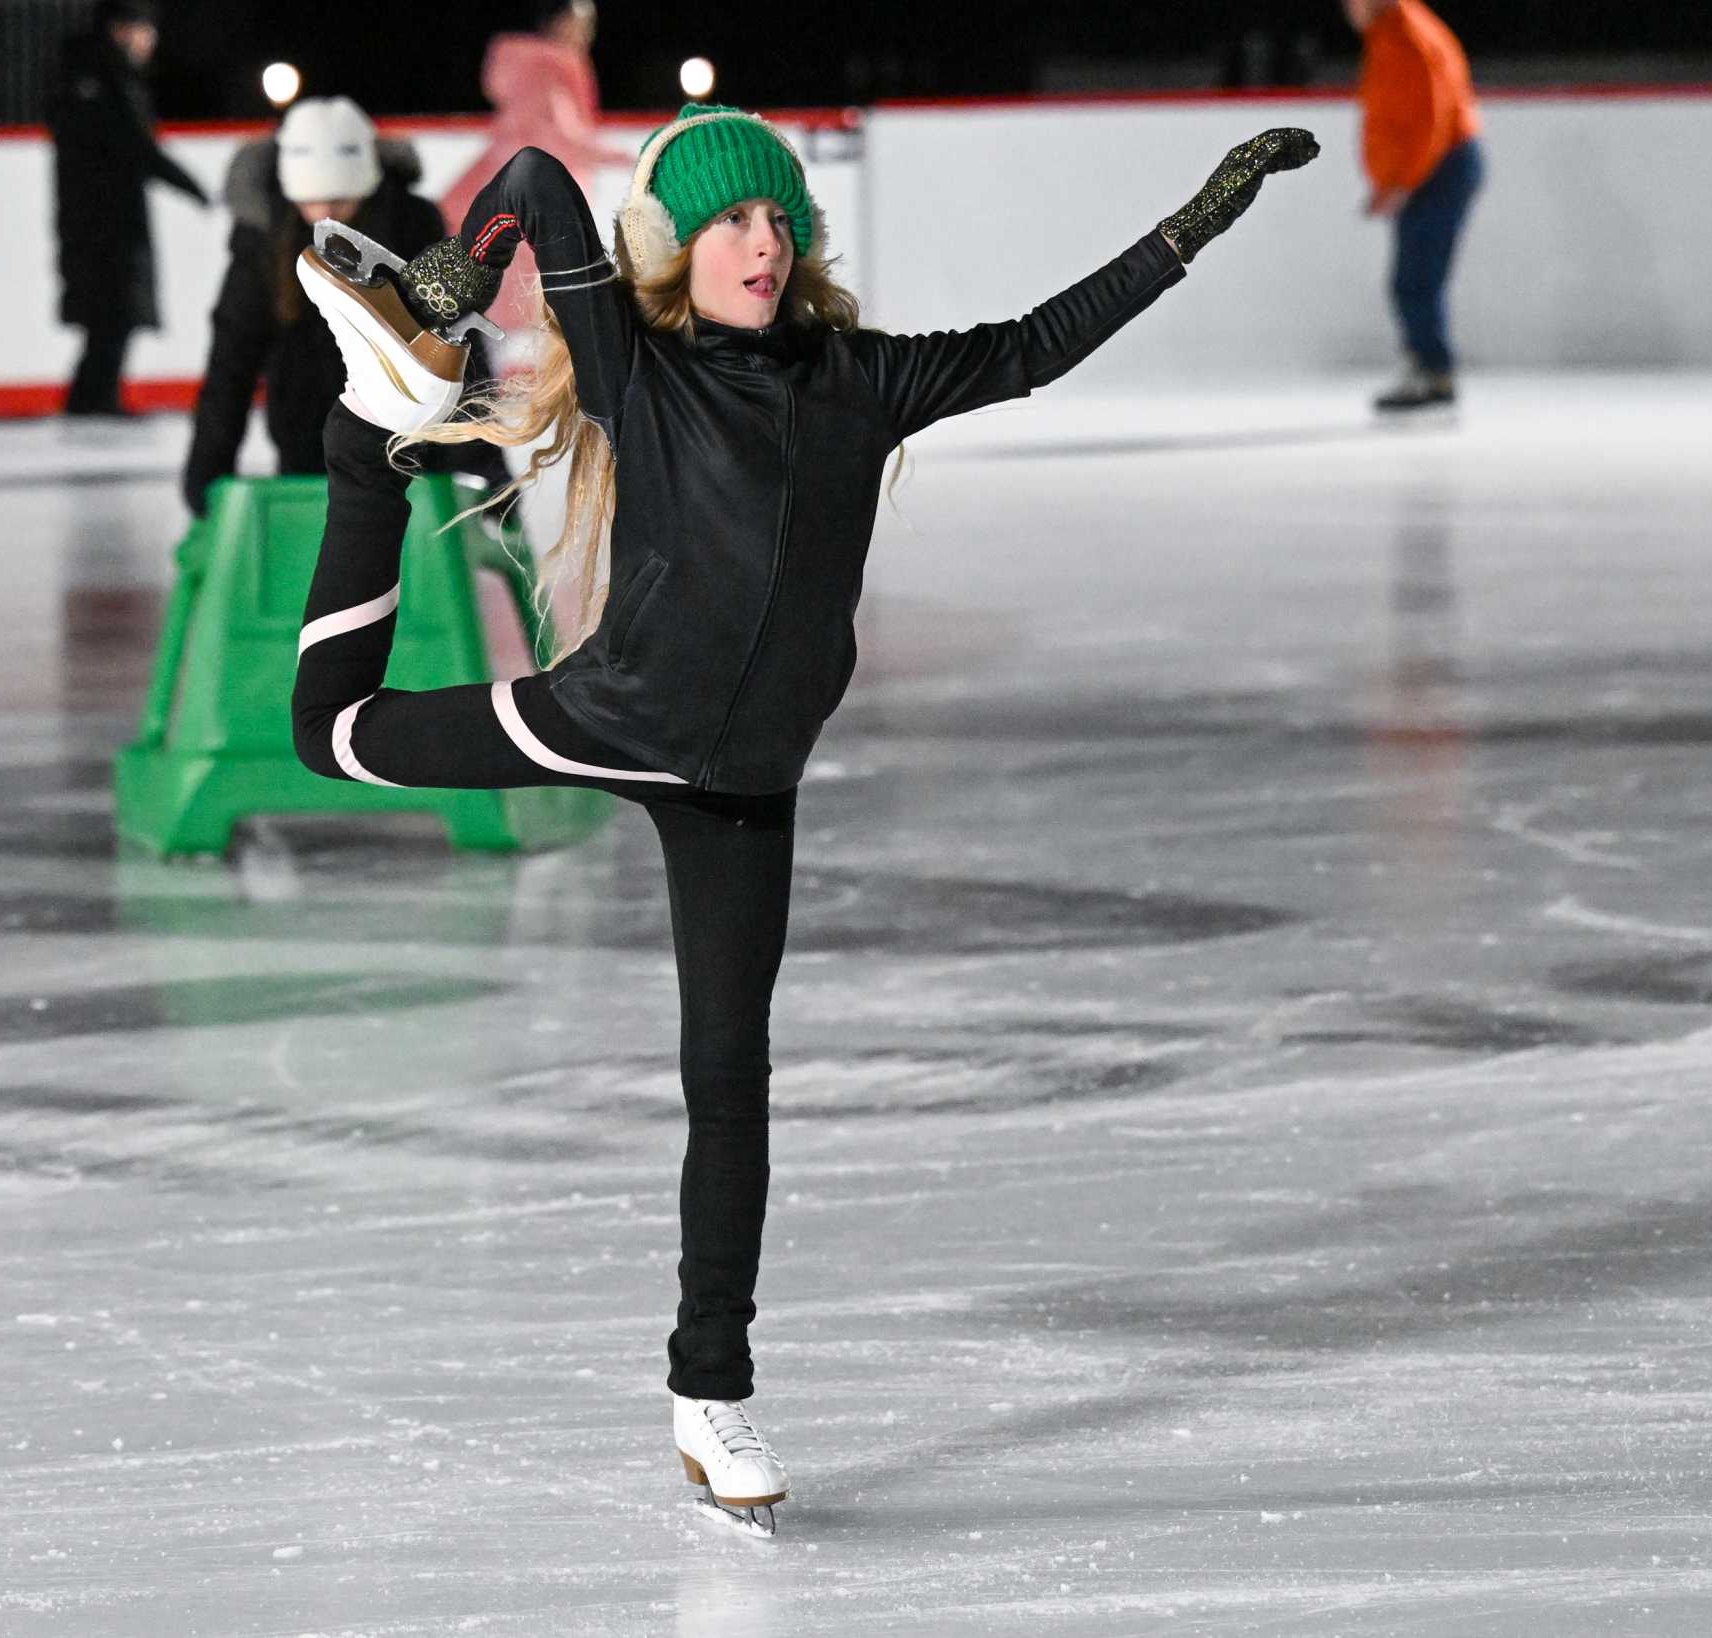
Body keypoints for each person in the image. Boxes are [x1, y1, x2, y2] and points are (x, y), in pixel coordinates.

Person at [289, 104, 1319, 1534]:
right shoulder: (634, 363)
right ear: (678, 249)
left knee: (733, 1080)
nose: (761, 241)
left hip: (748, 783)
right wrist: (466, 273)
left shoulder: (860, 382)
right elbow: (531, 173)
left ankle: (710, 1389)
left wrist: (1185, 233)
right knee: (331, 734)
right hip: (615, 723)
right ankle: (370, 431)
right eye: (727, 221)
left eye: (777, 219)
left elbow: (1030, 346)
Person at [182, 99, 509, 516]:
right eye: (309, 202)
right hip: (308, 445)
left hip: (416, 447)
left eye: (338, 201)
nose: (323, 214)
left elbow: (464, 354)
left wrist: (489, 474)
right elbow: (232, 362)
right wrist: (207, 474)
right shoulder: (264, 240)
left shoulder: (412, 227)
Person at [438, 0, 633, 346]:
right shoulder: (555, 67)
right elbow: (561, 136)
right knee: (535, 297)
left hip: (506, 180)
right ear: (557, 23)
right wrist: (625, 157)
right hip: (541, 192)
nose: (587, 32)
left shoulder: (522, 64)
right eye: (580, 22)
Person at [46, 0, 208, 418]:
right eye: (146, 33)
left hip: (93, 216)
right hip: (105, 219)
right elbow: (137, 148)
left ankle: (92, 396)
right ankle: (93, 399)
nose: (150, 43)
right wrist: (192, 187)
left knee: (110, 314)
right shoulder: (109, 79)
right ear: (124, 31)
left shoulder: (92, 76)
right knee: (113, 309)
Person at [1346, 0, 1483, 412]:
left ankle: (1433, 371)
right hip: (1430, 170)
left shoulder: (1407, 36)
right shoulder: (1390, 34)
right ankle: (1429, 368)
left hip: (1438, 169)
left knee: (1415, 279)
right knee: (1415, 278)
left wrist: (1403, 182)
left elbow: (1432, 117)